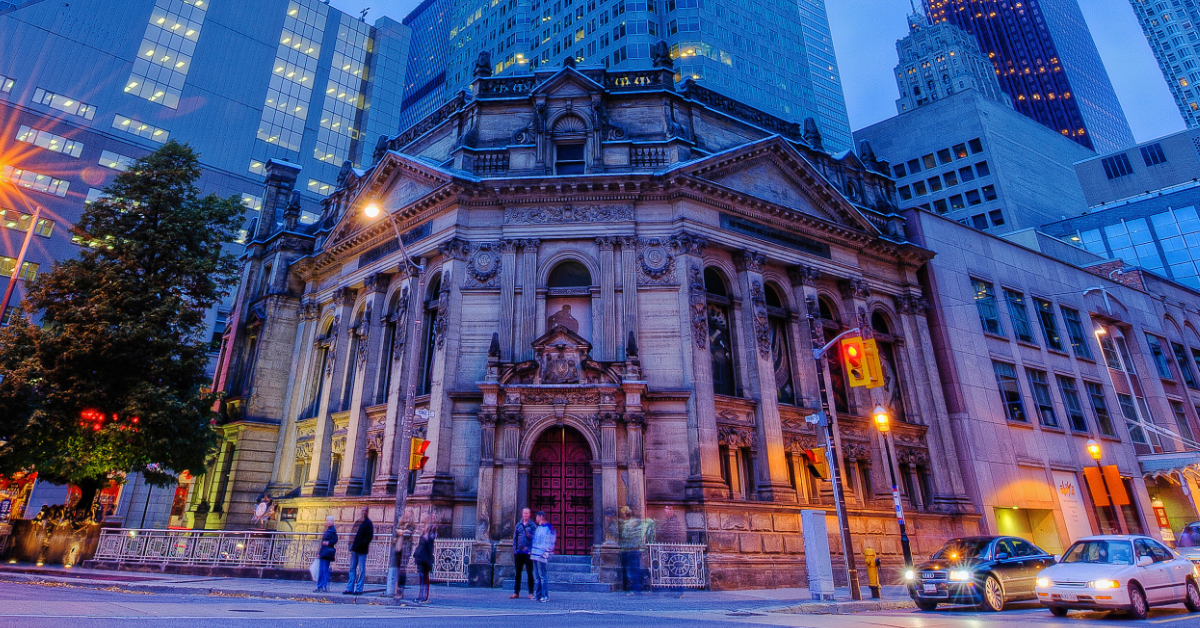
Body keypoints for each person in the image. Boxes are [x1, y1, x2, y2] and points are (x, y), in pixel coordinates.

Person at [619, 506, 655, 595]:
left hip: (630, 549)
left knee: (633, 570)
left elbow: (626, 536)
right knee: (635, 569)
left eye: (623, 513)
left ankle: (636, 589)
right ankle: (636, 588)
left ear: (625, 514)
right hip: (635, 549)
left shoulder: (629, 524)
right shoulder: (636, 522)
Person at [344, 507, 373, 595]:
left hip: (362, 550)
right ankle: (349, 588)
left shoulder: (368, 523)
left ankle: (359, 589)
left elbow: (369, 537)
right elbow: (352, 535)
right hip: (354, 549)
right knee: (352, 569)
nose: (363, 512)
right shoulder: (358, 522)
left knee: (361, 570)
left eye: (365, 511)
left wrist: (362, 544)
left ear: (367, 512)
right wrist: (350, 546)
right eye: (362, 511)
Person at [511, 508, 537, 599]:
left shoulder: (532, 525)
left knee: (530, 573)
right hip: (519, 552)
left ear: (529, 514)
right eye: (524, 513)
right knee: (517, 573)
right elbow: (515, 538)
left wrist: (531, 550)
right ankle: (516, 592)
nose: (525, 515)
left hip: (528, 553)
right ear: (522, 514)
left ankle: (531, 593)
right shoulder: (519, 525)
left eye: (527, 513)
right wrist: (515, 550)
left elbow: (535, 539)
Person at [530, 511, 556, 602]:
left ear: (541, 516)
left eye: (537, 516)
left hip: (541, 555)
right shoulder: (538, 528)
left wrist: (545, 554)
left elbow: (551, 542)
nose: (536, 518)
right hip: (534, 555)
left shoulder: (549, 528)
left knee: (543, 576)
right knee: (536, 576)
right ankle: (538, 595)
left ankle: (545, 595)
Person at [412, 525, 437, 603]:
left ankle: (424, 597)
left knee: (425, 578)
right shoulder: (424, 536)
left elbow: (429, 549)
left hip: (425, 560)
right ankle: (421, 596)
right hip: (422, 559)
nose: (423, 528)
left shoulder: (429, 537)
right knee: (422, 578)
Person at [314, 515, 337, 593]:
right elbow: (322, 543)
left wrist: (328, 543)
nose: (327, 522)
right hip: (324, 552)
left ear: (332, 522)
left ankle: (324, 586)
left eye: (329, 520)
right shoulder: (327, 530)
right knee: (321, 570)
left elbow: (335, 540)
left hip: (327, 553)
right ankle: (320, 586)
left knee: (324, 570)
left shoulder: (333, 530)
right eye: (327, 520)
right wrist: (319, 552)